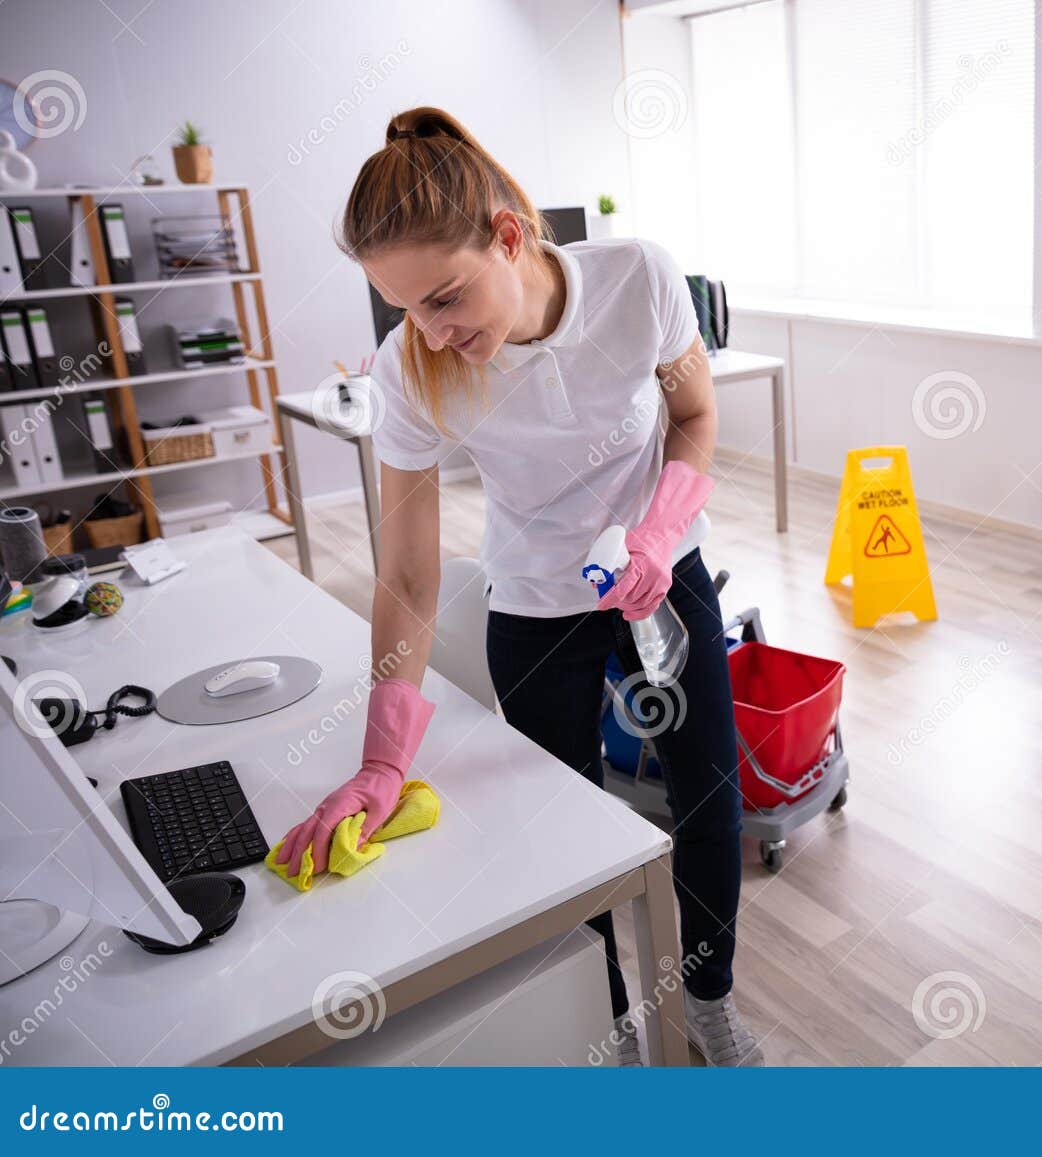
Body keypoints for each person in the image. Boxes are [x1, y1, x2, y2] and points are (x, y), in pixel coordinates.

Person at [273, 107, 763, 1067]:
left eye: (447, 297)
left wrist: (662, 532)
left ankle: (706, 1001)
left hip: (663, 578)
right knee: (562, 839)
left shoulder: (641, 278)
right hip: (537, 605)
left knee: (707, 798)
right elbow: (409, 572)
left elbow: (695, 413)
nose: (434, 330)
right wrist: (382, 754)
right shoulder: (408, 371)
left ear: (508, 236)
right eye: (406, 307)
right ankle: (618, 1026)